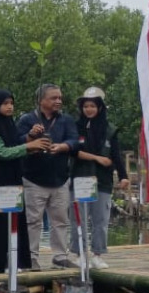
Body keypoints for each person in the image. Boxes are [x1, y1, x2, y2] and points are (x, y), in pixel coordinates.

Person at [0, 90, 49, 273]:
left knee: (16, 217)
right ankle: (0, 262)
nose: (9, 107)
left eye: (11, 103)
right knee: (1, 219)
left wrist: (30, 136)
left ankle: (16, 260)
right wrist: (28, 146)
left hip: (14, 174)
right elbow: (1, 152)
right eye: (5, 103)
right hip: (0, 177)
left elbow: (14, 142)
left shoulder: (9, 123)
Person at [17, 83, 79, 270]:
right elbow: (16, 142)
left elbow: (75, 141)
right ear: (41, 100)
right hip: (34, 179)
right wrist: (31, 136)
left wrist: (62, 147)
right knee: (33, 221)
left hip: (60, 178)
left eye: (60, 97)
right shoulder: (27, 119)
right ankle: (31, 258)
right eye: (53, 98)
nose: (58, 101)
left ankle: (60, 256)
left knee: (60, 220)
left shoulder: (66, 120)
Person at [70, 87, 128, 268]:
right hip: (79, 178)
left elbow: (116, 155)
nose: (89, 109)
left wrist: (123, 176)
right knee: (78, 219)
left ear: (100, 108)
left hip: (103, 180)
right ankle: (79, 254)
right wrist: (97, 158)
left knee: (101, 219)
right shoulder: (75, 127)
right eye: (86, 106)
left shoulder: (110, 129)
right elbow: (73, 151)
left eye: (92, 106)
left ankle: (98, 254)